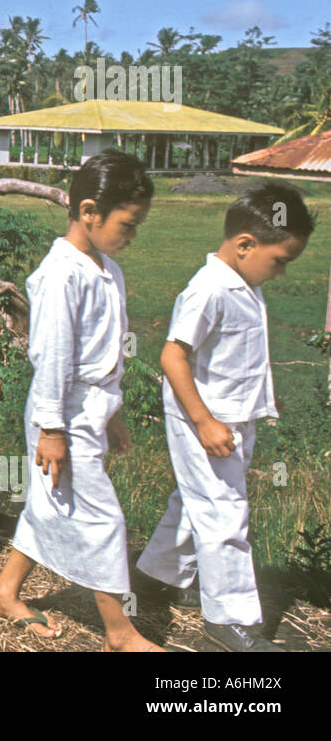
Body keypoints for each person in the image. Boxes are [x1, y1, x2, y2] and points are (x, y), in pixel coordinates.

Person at [0, 150, 162, 651]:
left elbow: (106, 354)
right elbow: (54, 359)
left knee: (50, 504)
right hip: (61, 411)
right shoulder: (62, 273)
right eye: (127, 225)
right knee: (103, 519)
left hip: (92, 408)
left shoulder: (104, 269)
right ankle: (120, 633)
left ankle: (3, 592)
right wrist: (53, 429)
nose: (132, 236)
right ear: (89, 212)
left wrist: (116, 412)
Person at [135, 183, 314, 652]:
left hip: (232, 417)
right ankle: (230, 620)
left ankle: (156, 576)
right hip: (204, 419)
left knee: (198, 502)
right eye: (280, 260)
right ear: (244, 245)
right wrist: (204, 422)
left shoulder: (243, 283)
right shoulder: (209, 288)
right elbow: (172, 356)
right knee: (224, 513)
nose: (280, 272)